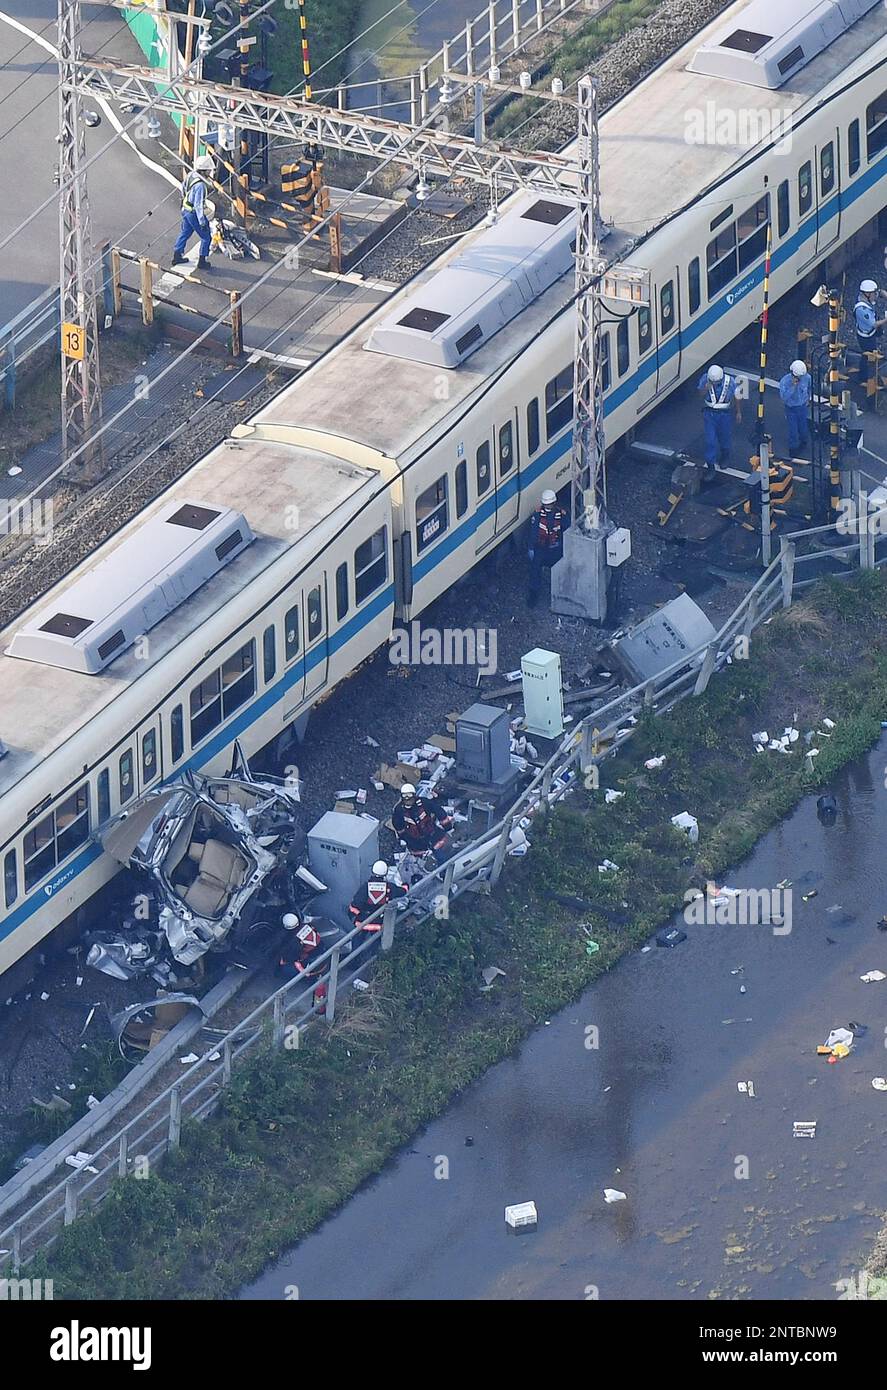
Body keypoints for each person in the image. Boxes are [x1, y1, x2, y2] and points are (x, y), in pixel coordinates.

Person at [172, 153, 215, 270]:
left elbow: (183, 187)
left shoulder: (191, 175)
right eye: (209, 170)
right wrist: (202, 222)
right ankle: (202, 261)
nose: (210, 172)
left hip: (185, 209)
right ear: (205, 170)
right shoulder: (201, 185)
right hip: (193, 214)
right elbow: (198, 205)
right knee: (206, 237)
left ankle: (177, 255)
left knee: (185, 232)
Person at [391, 784, 453, 865]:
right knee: (423, 864)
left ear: (414, 795)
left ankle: (446, 870)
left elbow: (438, 810)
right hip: (416, 843)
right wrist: (407, 840)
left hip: (433, 835)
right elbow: (398, 826)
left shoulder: (423, 803)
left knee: (443, 855)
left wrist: (447, 826)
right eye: (405, 795)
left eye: (409, 795)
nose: (407, 798)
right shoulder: (399, 810)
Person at [526, 489, 568, 606]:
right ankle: (533, 594)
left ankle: (563, 591)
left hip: (556, 549)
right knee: (535, 569)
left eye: (549, 504)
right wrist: (531, 548)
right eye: (546, 504)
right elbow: (533, 532)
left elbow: (567, 530)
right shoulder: (538, 515)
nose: (548, 506)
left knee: (563, 568)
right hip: (541, 549)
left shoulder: (562, 515)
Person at [697, 364, 742, 468]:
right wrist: (705, 389)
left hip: (724, 414)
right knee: (710, 440)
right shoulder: (705, 379)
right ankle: (710, 465)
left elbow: (737, 396)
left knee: (725, 436)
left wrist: (738, 412)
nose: (714, 383)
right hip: (709, 413)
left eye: (716, 382)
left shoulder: (730, 382)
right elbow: (700, 394)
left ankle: (725, 456)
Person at [348, 861, 407, 933]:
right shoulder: (389, 887)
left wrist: (354, 917)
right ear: (385, 873)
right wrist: (405, 884)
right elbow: (403, 892)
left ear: (373, 871)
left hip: (362, 923)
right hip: (379, 924)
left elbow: (355, 905)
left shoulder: (365, 887)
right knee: (376, 942)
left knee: (358, 942)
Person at [778, 359, 812, 453]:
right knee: (793, 430)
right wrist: (793, 386)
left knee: (803, 427)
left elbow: (809, 388)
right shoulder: (784, 382)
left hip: (802, 407)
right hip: (791, 409)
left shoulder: (807, 377)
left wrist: (808, 398)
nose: (800, 379)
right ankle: (793, 449)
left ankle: (803, 441)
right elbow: (784, 397)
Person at [853, 279, 887, 353]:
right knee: (870, 354)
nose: (876, 295)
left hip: (871, 328)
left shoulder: (866, 297)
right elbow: (874, 324)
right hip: (866, 336)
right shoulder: (862, 310)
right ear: (867, 294)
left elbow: (881, 292)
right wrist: (885, 320)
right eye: (874, 293)